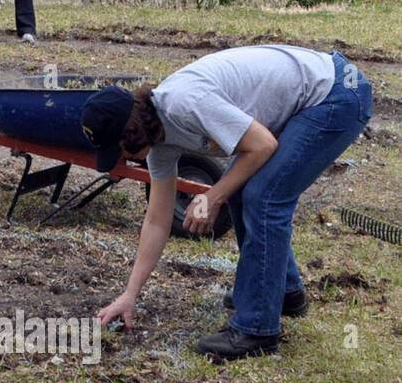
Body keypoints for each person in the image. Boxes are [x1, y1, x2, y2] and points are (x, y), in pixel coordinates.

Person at [81, 45, 373, 361]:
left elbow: (262, 146)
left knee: (264, 197)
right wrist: (129, 295)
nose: (122, 159)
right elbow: (157, 220)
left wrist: (213, 194)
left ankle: (258, 329)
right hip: (315, 95)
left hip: (336, 93)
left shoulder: (184, 104)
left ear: (133, 131)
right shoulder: (159, 142)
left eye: (119, 150)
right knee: (240, 189)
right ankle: (285, 293)